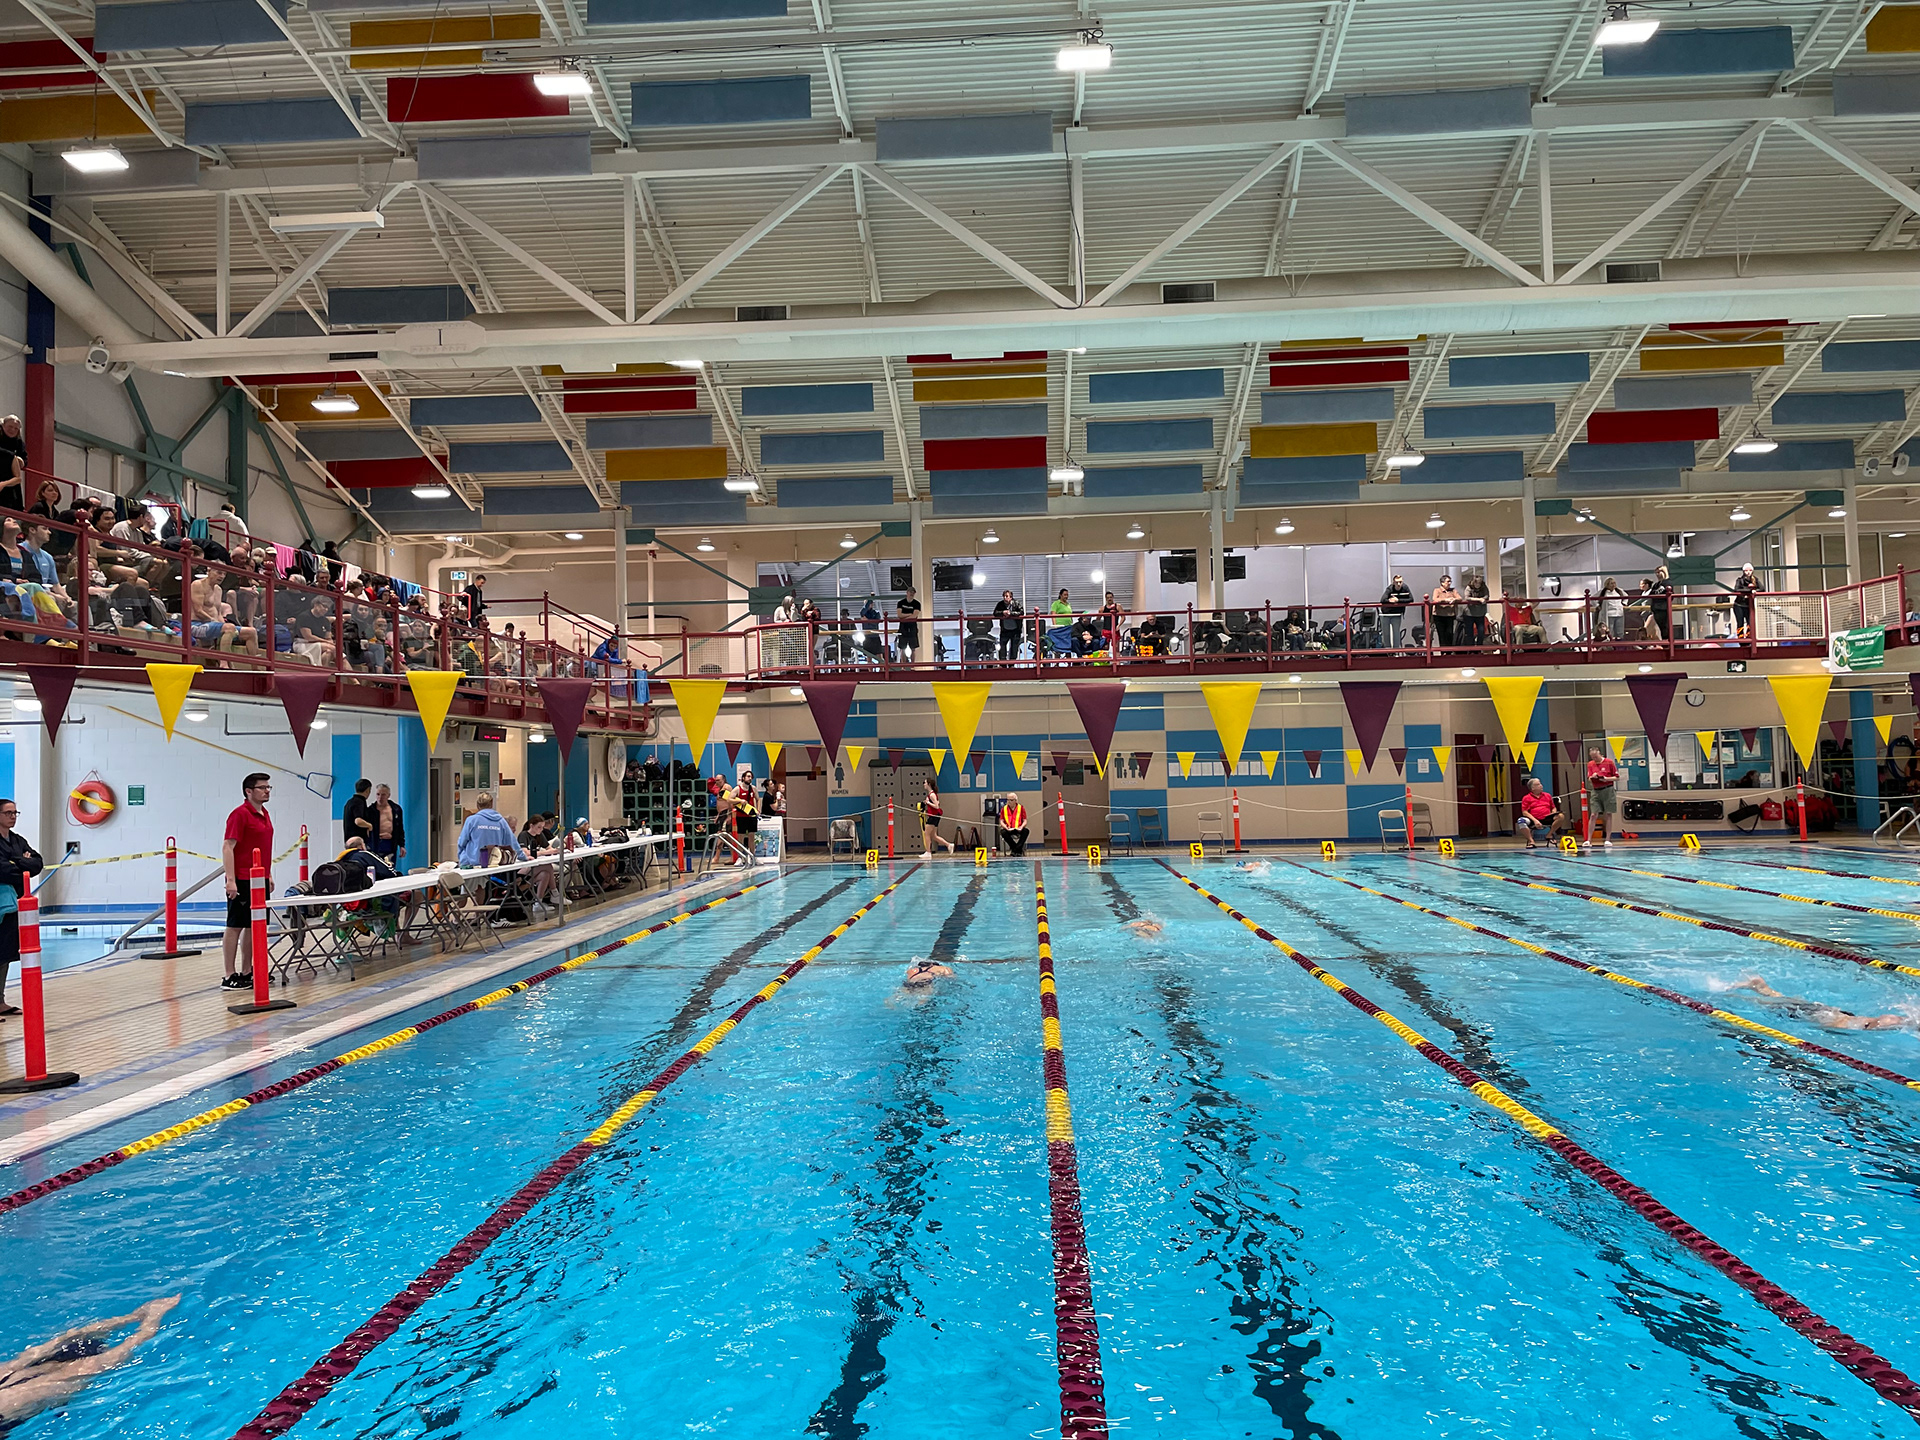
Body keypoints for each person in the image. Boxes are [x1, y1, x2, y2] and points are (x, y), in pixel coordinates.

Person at [0, 1295, 179, 1428]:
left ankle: (149, 1318)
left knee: (90, 1365)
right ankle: (139, 1317)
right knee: (39, 1356)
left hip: (15, 1400)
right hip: (15, 1392)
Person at [221, 772, 274, 990]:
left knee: (255, 926)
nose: (267, 791)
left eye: (269, 787)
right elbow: (228, 847)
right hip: (242, 878)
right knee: (235, 926)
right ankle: (229, 974)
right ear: (249, 791)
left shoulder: (264, 813)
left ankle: (248, 970)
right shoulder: (239, 815)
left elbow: (263, 846)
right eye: (262, 788)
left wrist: (268, 874)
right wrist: (231, 880)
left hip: (259, 879)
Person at [1730, 977, 1910, 1032]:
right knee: (1766, 1005)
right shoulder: (1887, 1023)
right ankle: (1736, 996)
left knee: (1792, 1002)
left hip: (1833, 1014)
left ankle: (1761, 987)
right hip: (1824, 1017)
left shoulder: (1896, 1021)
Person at [0, 799, 43, 1016]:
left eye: (15, 812)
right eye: (8, 813)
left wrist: (15, 861)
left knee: (5, 953)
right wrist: (21, 862)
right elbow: (2, 871)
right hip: (2, 900)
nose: (13, 816)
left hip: (12, 902)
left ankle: (0, 1001)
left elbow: (37, 863)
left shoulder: (17, 840)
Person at [456, 791, 526, 868]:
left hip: (473, 864)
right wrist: (523, 857)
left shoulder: (472, 820)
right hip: (494, 864)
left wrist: (462, 859)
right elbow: (512, 842)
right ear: (492, 804)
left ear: (477, 805)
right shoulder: (501, 821)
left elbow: (462, 842)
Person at [1515, 777, 1565, 848]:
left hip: (1547, 817)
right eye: (1538, 784)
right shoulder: (1526, 798)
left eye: (1540, 784)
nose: (1541, 785)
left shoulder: (1547, 795)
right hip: (1533, 819)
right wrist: (1535, 821)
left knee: (1561, 816)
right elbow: (1525, 812)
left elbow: (1553, 807)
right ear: (1532, 788)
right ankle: (1531, 841)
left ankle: (1549, 834)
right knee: (1521, 821)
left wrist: (1553, 812)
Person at [1585, 745, 1619, 848]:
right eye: (1592, 757)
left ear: (1600, 754)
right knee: (1593, 814)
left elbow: (1617, 777)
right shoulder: (1590, 764)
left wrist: (1606, 779)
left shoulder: (1609, 762)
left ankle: (1608, 839)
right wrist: (1593, 777)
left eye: (1596, 757)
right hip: (1596, 790)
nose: (1594, 759)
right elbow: (1589, 778)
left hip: (1608, 789)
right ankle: (1588, 840)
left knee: (1608, 814)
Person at [918, 777, 956, 857]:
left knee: (926, 834)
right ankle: (948, 845)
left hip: (934, 816)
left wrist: (928, 802)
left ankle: (928, 852)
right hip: (935, 816)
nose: (924, 784)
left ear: (928, 784)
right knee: (933, 836)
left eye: (925, 783)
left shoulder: (932, 795)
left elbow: (937, 806)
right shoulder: (931, 794)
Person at [369, 782, 404, 865]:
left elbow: (400, 828)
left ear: (388, 795)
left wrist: (402, 845)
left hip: (390, 843)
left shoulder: (396, 809)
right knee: (377, 867)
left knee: (390, 867)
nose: (380, 797)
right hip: (375, 844)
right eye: (378, 794)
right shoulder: (371, 810)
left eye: (383, 795)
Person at [0, 414, 26, 512]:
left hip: (10, 476)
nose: (12, 430)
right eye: (10, 427)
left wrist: (19, 460)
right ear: (3, 425)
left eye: (16, 428)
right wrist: (12, 456)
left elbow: (24, 460)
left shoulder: (19, 442)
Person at [1380, 574, 1413, 648]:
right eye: (1397, 582)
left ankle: (1396, 650)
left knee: (1396, 633)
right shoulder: (1390, 589)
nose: (1399, 584)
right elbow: (1382, 600)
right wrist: (1390, 601)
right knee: (1386, 633)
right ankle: (1388, 650)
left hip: (1397, 613)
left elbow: (1411, 599)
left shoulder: (1405, 588)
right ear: (1393, 582)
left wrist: (1398, 600)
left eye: (1400, 582)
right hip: (1386, 613)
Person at [342, 778, 374, 847]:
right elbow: (358, 821)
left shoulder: (349, 802)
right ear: (367, 790)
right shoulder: (359, 802)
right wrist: (369, 826)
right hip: (357, 842)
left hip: (349, 840)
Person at [1733, 562, 1762, 640]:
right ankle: (1741, 640)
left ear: (1752, 571)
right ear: (1743, 571)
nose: (1748, 572)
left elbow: (1762, 589)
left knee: (1750, 623)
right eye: (1746, 570)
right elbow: (1736, 589)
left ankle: (1750, 639)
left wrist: (1755, 590)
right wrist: (1750, 590)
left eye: (1750, 570)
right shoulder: (1740, 580)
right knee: (1740, 623)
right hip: (1739, 605)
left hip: (1749, 605)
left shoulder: (1755, 580)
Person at [993, 590, 1024, 661]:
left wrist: (1011, 613)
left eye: (1007, 596)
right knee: (1002, 647)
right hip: (1005, 629)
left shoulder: (1016, 603)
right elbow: (995, 613)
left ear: (1011, 597)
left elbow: (1021, 612)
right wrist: (1003, 612)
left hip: (1016, 630)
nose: (1005, 598)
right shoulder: (1000, 604)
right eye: (1004, 596)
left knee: (1014, 647)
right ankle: (1003, 664)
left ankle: (1012, 664)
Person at [1462, 570, 1490, 646]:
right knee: (1469, 632)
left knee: (1481, 631)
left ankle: (1479, 647)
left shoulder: (1484, 587)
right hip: (1469, 614)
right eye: (1477, 583)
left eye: (1480, 583)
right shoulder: (1469, 587)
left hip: (1480, 613)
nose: (1478, 585)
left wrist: (1484, 599)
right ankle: (1471, 649)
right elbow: (1467, 598)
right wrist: (1479, 599)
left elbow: (1487, 595)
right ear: (1473, 582)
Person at [1645, 565, 1673, 641]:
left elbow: (1670, 595)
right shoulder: (1656, 585)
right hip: (1656, 609)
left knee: (1665, 629)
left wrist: (1666, 576)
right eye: (1656, 573)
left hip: (1663, 609)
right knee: (1655, 629)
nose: (1658, 574)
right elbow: (1651, 595)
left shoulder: (1667, 583)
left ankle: (1667, 645)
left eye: (1660, 572)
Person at [895, 585, 921, 663]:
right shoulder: (900, 603)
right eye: (910, 592)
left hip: (912, 627)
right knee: (902, 648)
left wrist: (904, 617)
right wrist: (910, 614)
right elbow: (899, 615)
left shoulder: (917, 604)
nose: (911, 594)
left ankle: (912, 665)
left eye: (913, 592)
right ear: (907, 593)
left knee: (913, 648)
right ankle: (903, 665)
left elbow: (915, 615)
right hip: (903, 627)